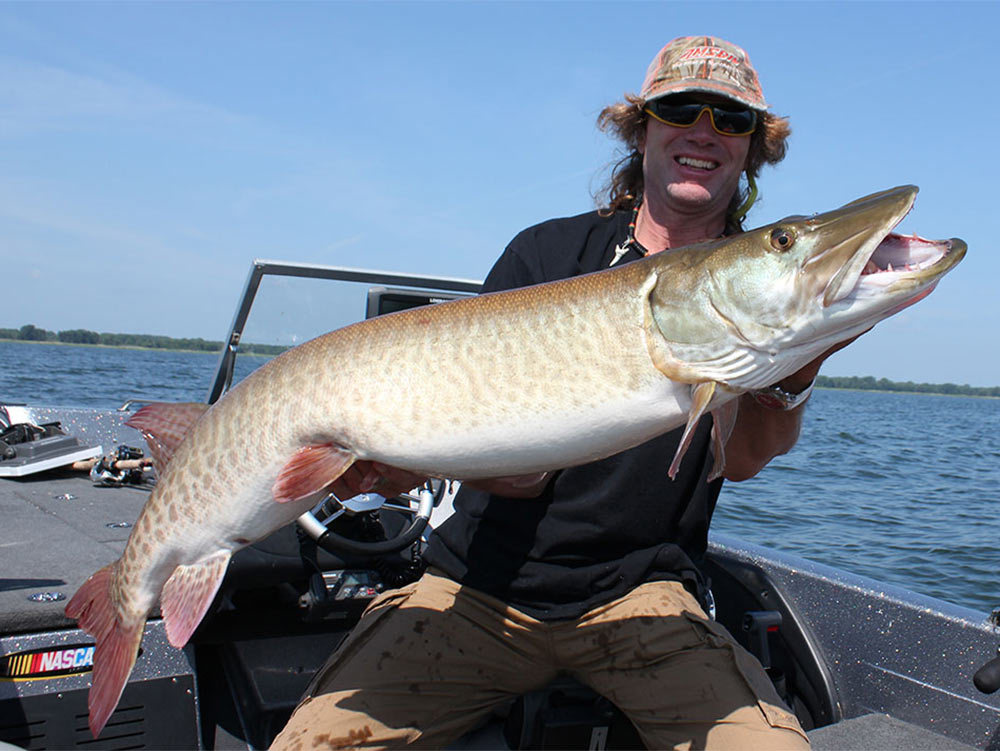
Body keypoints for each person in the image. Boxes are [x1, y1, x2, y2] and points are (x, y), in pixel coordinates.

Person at [273, 35, 839, 750]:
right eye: (679, 109)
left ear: (753, 148)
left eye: (730, 119)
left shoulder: (754, 279)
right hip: (477, 590)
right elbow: (503, 462)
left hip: (646, 598)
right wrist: (393, 467)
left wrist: (797, 364)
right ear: (642, 129)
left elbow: (747, 457)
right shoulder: (545, 255)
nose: (704, 131)